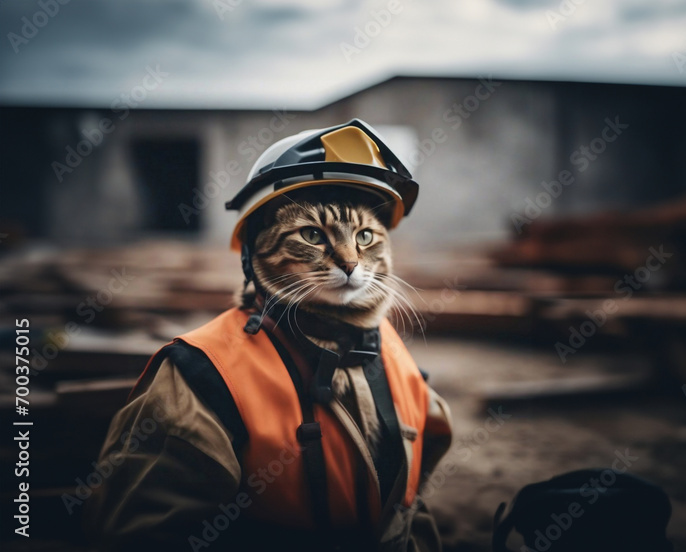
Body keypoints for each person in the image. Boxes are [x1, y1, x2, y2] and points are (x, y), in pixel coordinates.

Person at [87, 120, 453, 551]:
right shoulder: (200, 373)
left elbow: (410, 503)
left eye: (366, 236)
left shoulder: (390, 348)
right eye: (313, 235)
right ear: (254, 248)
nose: (351, 260)